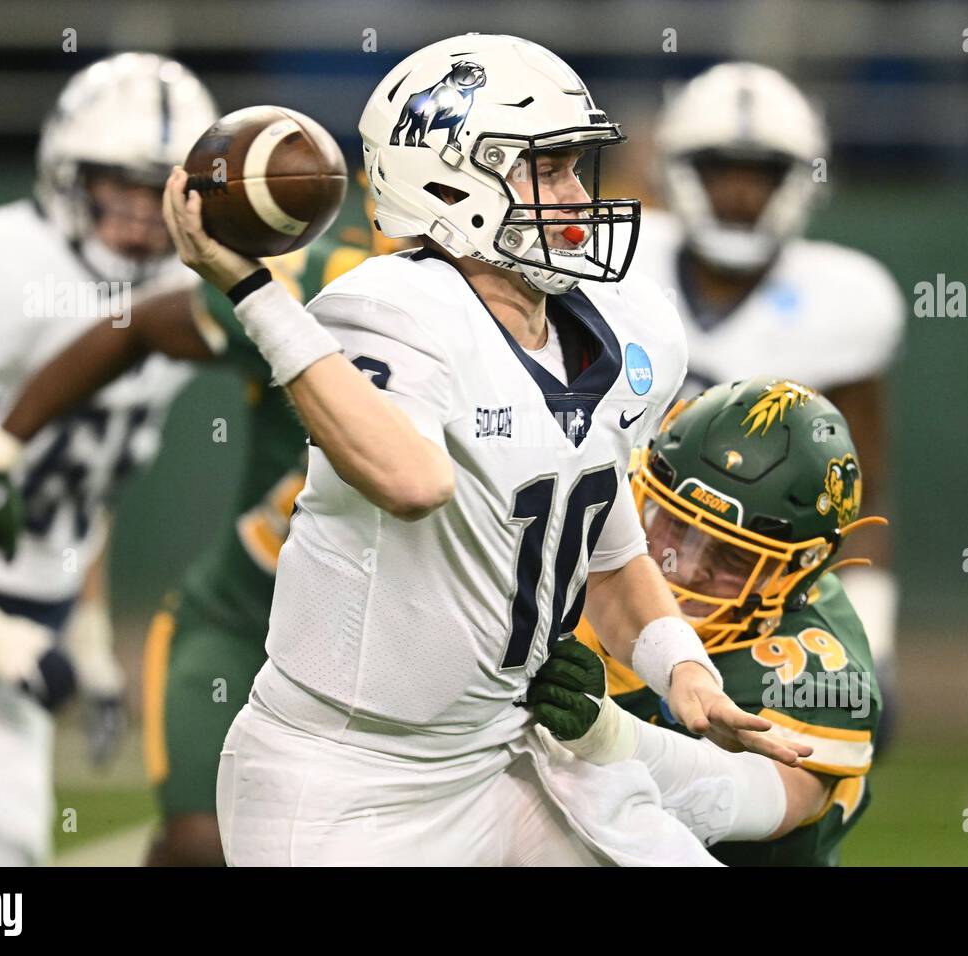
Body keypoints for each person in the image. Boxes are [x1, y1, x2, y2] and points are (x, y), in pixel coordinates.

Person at [165, 34, 811, 866]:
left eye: (577, 166)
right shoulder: (390, 307)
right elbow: (411, 480)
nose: (576, 194)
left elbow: (604, 540)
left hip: (506, 752)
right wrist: (254, 292)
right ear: (448, 177)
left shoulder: (628, 322)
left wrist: (679, 664)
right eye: (547, 169)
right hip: (345, 784)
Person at [0, 52, 217, 865]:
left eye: (157, 190)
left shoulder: (178, 299)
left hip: (7, 666)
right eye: (117, 186)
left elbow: (80, 485)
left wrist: (87, 636)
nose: (138, 216)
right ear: (67, 176)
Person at [0, 223, 378, 865]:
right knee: (200, 845)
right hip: (240, 625)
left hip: (395, 659)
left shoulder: (544, 333)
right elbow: (144, 324)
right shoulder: (321, 288)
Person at [639, 63, 904, 746]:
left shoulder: (846, 297)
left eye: (760, 173)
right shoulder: (616, 258)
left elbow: (860, 489)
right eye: (719, 168)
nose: (737, 191)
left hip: (753, 592)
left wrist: (872, 635)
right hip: (617, 553)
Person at [567, 378, 886, 864]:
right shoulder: (589, 508)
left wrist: (610, 737)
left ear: (796, 570)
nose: (685, 567)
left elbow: (748, 800)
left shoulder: (813, 666)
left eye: (734, 557)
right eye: (673, 523)